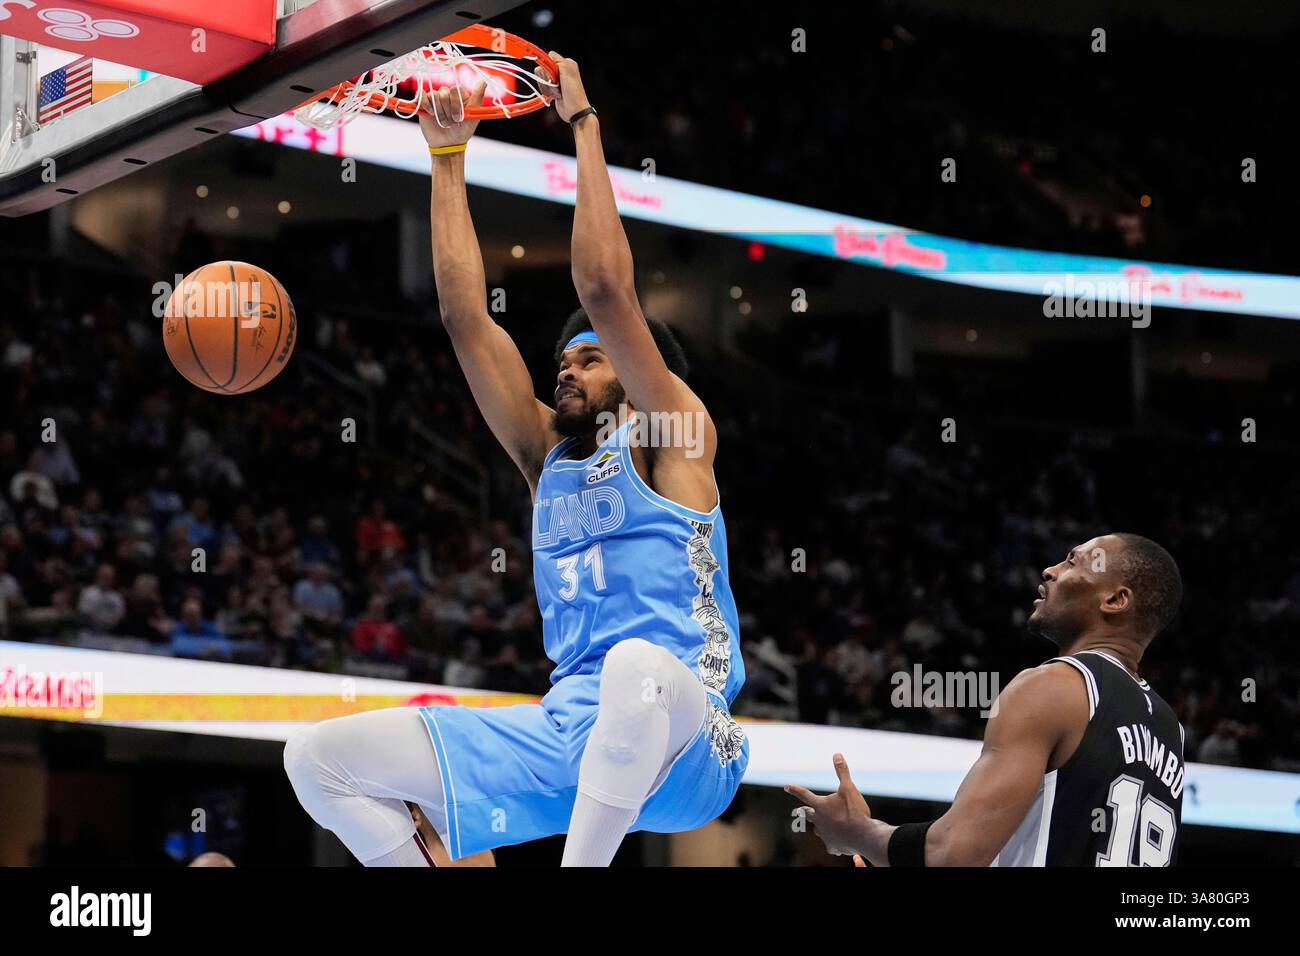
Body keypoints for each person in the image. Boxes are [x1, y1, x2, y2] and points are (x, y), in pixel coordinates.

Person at [284, 53, 748, 866]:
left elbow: (605, 289)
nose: (566, 369)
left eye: (590, 360)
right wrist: (447, 157)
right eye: (563, 360)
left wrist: (583, 123)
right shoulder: (546, 454)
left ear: (643, 376)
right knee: (316, 762)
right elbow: (466, 317)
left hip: (687, 732)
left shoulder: (673, 430)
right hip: (568, 731)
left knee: (636, 669)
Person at [788, 533, 1185, 867]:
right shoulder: (1171, 730)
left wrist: (856, 831)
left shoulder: (1054, 686)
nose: (1051, 570)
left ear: (1114, 601)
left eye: (1072, 562)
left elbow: (950, 854)